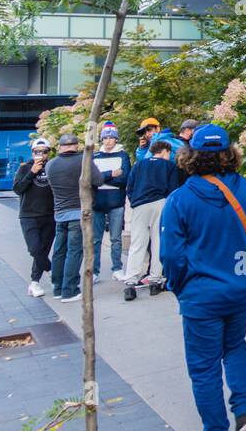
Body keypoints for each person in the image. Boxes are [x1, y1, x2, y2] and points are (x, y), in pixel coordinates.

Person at [160, 124, 246, 431]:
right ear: (229, 154)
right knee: (235, 347)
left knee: (204, 368)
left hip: (200, 293)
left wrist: (179, 288)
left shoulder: (180, 199)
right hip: (239, 287)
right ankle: (243, 414)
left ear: (191, 155)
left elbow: (172, 256)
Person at [46, 132, 123, 303]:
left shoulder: (50, 164)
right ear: (76, 146)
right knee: (74, 251)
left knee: (59, 251)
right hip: (78, 211)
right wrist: (111, 173)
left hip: (59, 213)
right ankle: (70, 290)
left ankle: (57, 287)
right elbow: (97, 180)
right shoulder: (84, 162)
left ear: (60, 146)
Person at [122, 138, 181, 290]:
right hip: (160, 202)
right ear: (165, 151)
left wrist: (134, 200)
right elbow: (173, 189)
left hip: (140, 204)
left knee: (137, 242)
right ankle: (156, 277)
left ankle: (131, 279)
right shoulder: (169, 166)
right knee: (158, 241)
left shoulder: (140, 164)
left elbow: (130, 185)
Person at [13, 139, 55, 298]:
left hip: (50, 214)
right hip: (29, 215)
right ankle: (51, 270)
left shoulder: (52, 166)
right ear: (32, 153)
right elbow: (18, 189)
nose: (41, 155)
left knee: (43, 249)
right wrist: (32, 173)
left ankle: (34, 282)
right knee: (35, 249)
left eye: (45, 151)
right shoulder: (25, 168)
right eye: (38, 151)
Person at [90, 126, 131, 283]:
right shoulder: (95, 156)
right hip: (97, 203)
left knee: (116, 238)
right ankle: (94, 271)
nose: (108, 141)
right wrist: (110, 174)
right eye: (105, 138)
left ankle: (117, 268)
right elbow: (92, 179)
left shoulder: (123, 156)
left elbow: (124, 179)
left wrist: (102, 178)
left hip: (116, 202)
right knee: (96, 239)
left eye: (111, 137)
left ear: (116, 139)